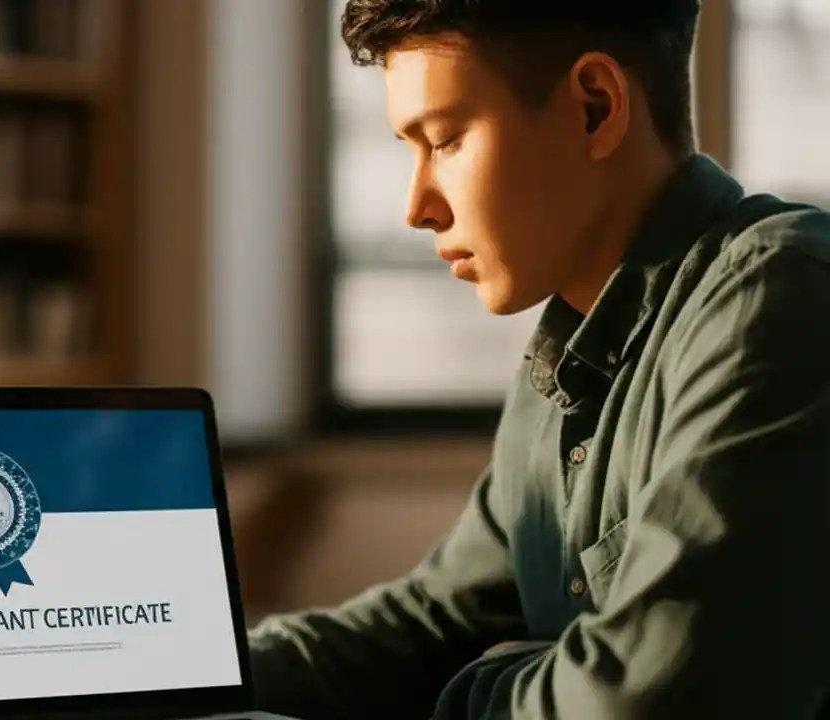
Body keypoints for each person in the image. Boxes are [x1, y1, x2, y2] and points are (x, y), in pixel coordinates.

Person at [247, 1, 830, 718]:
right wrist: (183, 672)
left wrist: (473, 691)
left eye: (447, 140)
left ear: (594, 107)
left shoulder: (780, 295)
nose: (418, 206)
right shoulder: (564, 362)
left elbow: (648, 701)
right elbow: (433, 624)